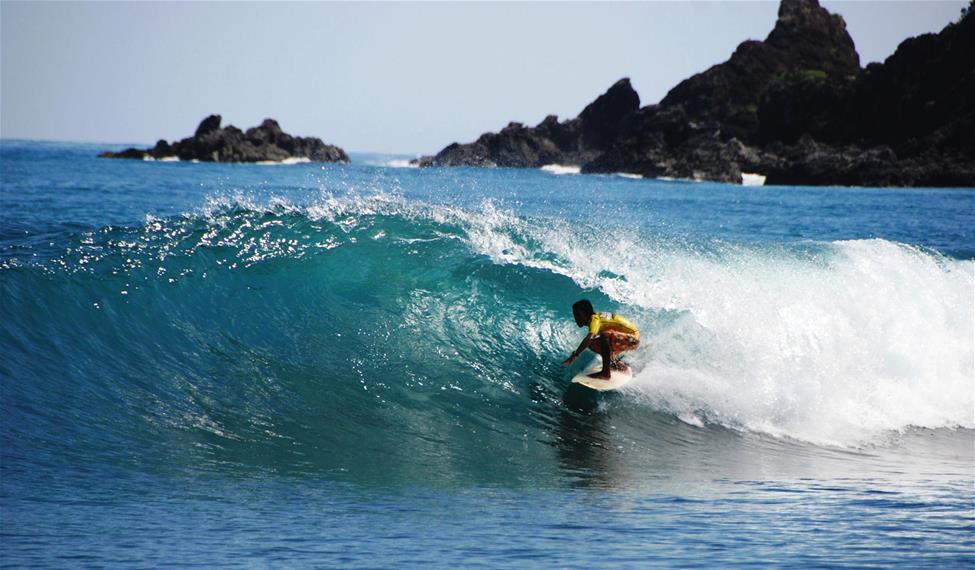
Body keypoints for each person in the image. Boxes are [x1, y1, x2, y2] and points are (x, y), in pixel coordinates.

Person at [561, 299, 640, 379]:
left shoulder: (594, 320)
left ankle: (605, 373)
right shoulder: (596, 318)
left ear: (586, 314)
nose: (576, 317)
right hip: (627, 338)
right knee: (592, 344)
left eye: (578, 314)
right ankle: (618, 366)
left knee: (603, 336)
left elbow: (590, 337)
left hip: (632, 338)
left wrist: (575, 355)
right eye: (575, 314)